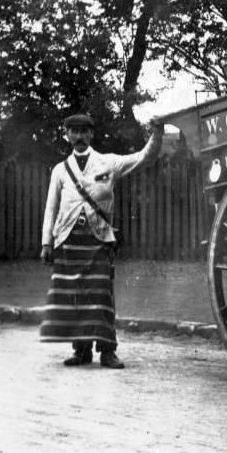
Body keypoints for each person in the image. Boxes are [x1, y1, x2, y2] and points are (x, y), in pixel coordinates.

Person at [39, 113, 164, 368]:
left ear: (92, 134)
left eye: (84, 131)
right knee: (74, 295)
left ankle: (108, 351)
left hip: (99, 239)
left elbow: (143, 158)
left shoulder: (108, 163)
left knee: (101, 295)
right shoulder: (60, 171)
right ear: (67, 135)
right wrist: (46, 243)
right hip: (68, 240)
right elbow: (51, 208)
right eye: (74, 131)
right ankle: (81, 350)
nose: (79, 137)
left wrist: (157, 132)